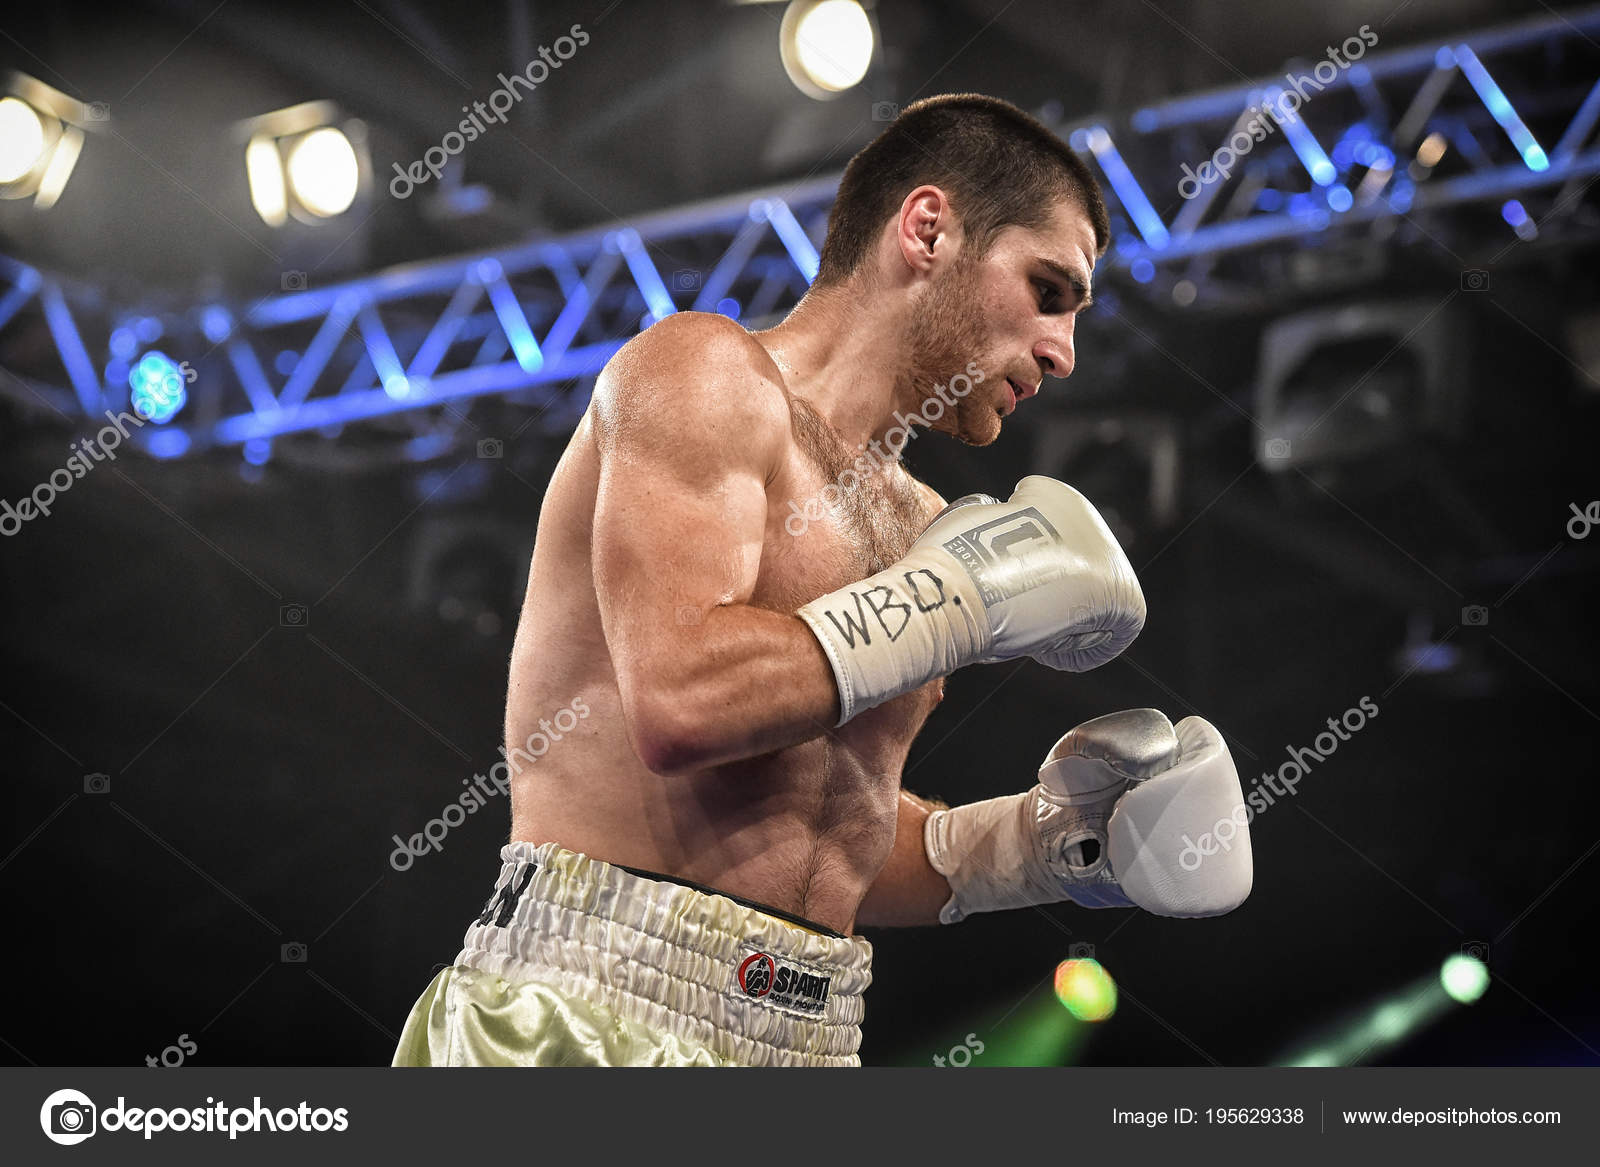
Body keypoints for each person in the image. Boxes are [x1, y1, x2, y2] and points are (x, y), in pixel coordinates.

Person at [393, 93, 1252, 1069]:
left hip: (807, 1041)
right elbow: (680, 701)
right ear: (927, 229)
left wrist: (1036, 845)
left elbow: (823, 837)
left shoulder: (925, 529)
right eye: (1048, 289)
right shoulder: (702, 373)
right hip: (586, 1013)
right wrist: (954, 602)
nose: (1062, 350)